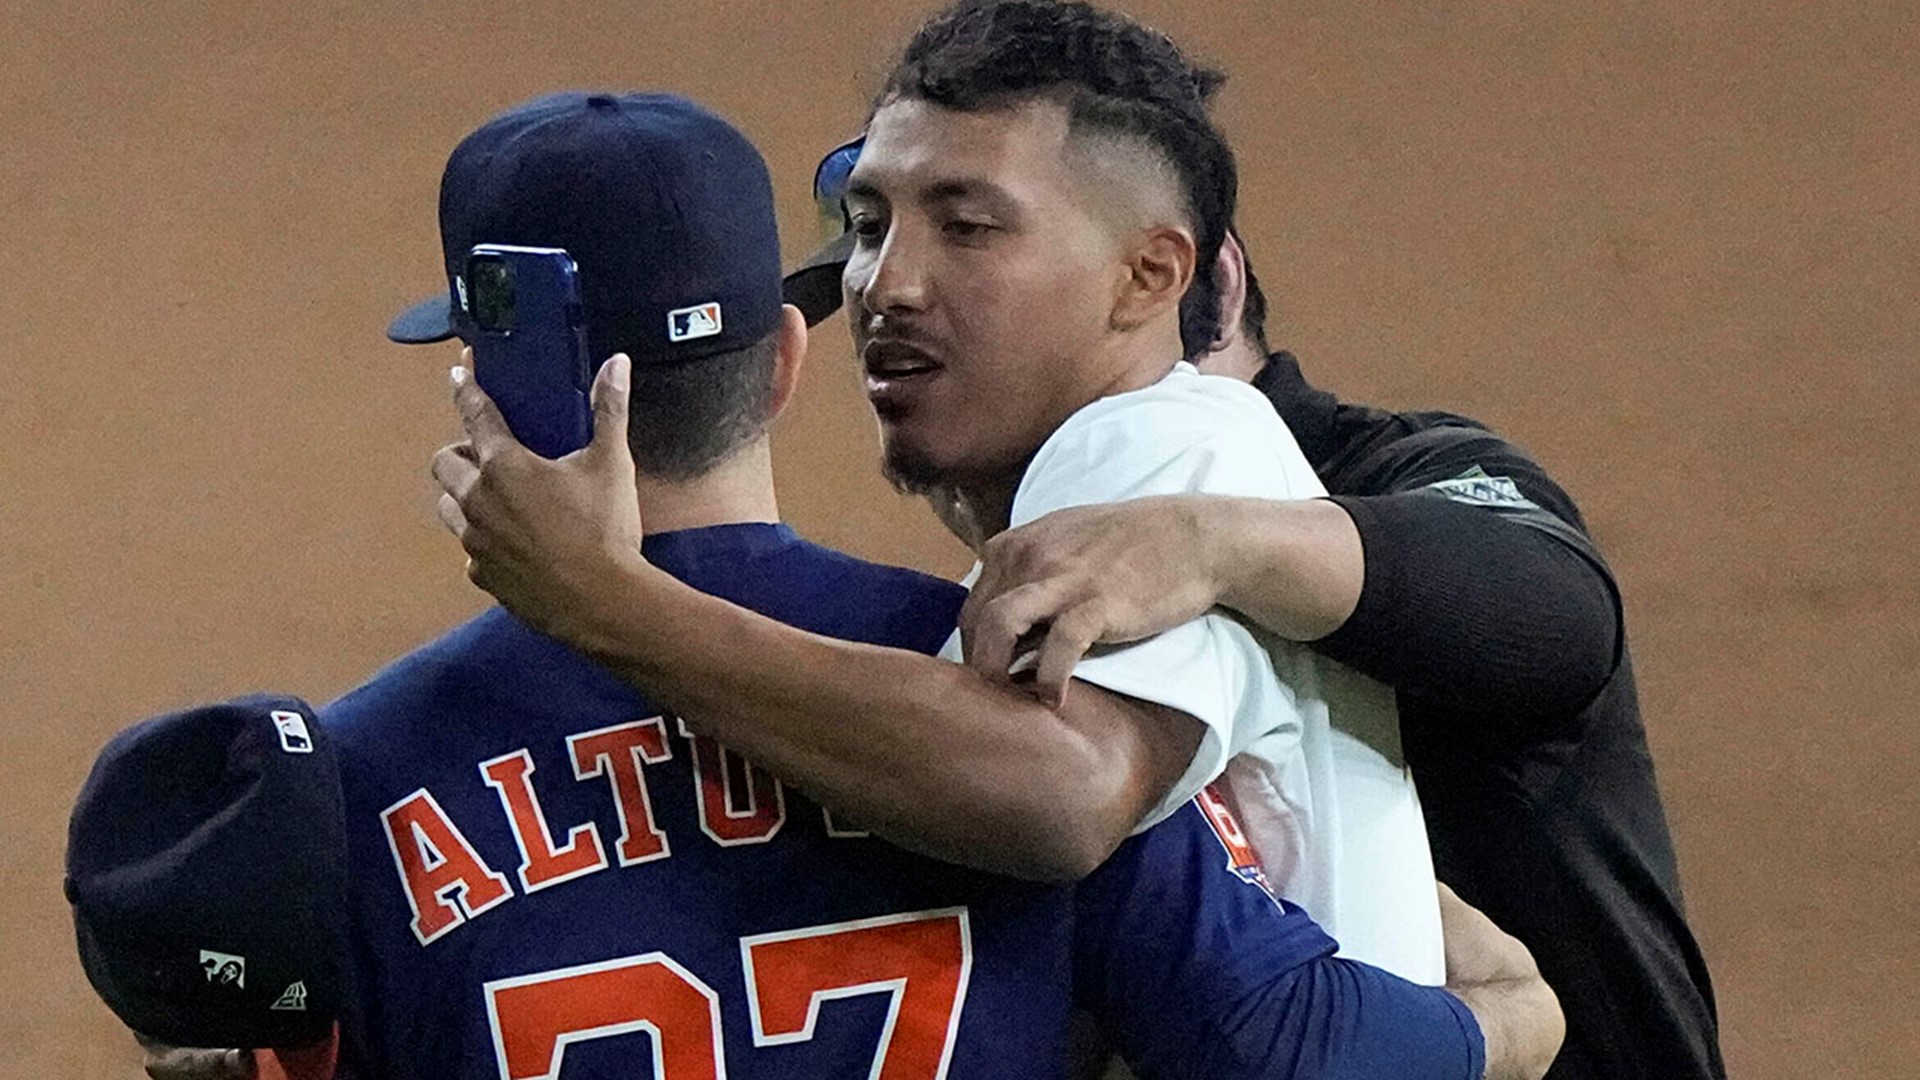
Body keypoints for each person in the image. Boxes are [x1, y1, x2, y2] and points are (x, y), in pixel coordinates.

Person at [125, 88, 1549, 1079]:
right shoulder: (1015, 687)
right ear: (789, 362)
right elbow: (1282, 1047)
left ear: (487, 380)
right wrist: (1511, 1017)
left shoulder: (360, 780)